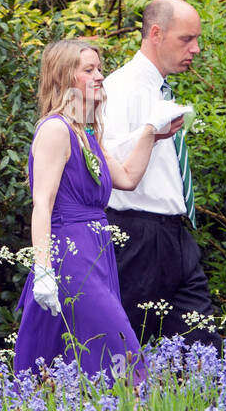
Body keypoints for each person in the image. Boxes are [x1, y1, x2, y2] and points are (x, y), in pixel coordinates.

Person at [13, 39, 186, 381]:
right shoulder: (55, 130)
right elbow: (42, 204)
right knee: (118, 345)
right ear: (65, 78)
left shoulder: (88, 132)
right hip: (70, 254)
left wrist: (152, 133)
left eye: (100, 69)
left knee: (76, 351)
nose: (99, 77)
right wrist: (44, 268)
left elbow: (126, 178)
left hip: (98, 250)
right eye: (88, 70)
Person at [103, 0, 220, 348]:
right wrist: (149, 134)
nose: (196, 49)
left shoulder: (160, 90)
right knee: (124, 349)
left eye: (197, 39)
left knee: (202, 348)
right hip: (137, 235)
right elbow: (105, 164)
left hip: (174, 235)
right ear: (156, 34)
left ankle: (204, 402)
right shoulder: (119, 89)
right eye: (186, 39)